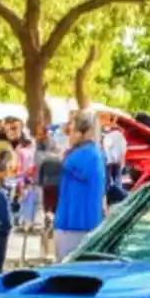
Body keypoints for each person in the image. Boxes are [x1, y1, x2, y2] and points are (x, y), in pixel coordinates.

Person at [55, 110, 106, 261]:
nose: (68, 135)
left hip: (75, 224)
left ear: (81, 132)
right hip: (82, 224)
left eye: (70, 130)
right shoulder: (94, 153)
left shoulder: (83, 155)